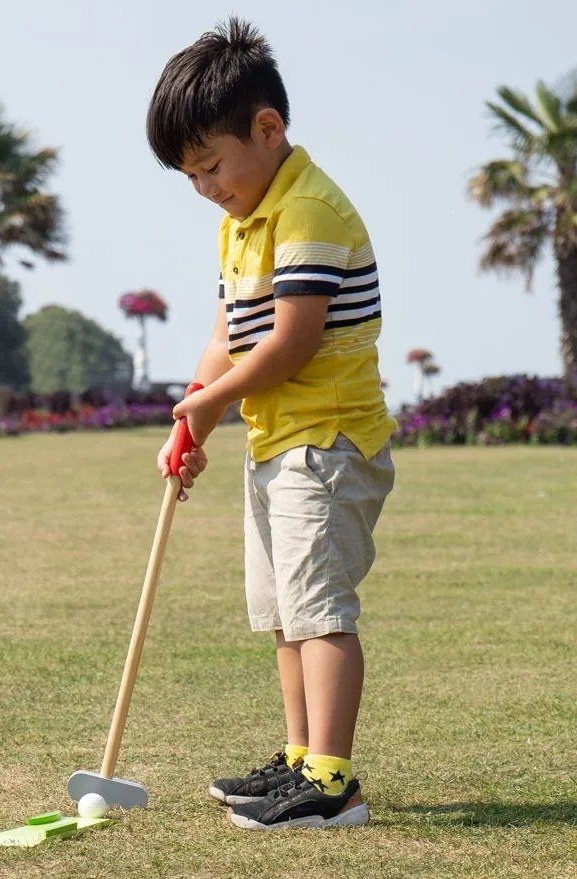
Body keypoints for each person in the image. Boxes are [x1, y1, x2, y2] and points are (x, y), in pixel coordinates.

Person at [146, 17, 396, 830]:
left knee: (320, 609)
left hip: (327, 441)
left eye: (211, 165)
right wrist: (194, 417)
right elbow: (229, 336)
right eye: (189, 176)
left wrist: (215, 404)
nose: (206, 187)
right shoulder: (240, 224)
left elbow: (292, 341)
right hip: (276, 443)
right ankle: (298, 758)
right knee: (286, 611)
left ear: (268, 128)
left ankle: (332, 783)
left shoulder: (310, 210)